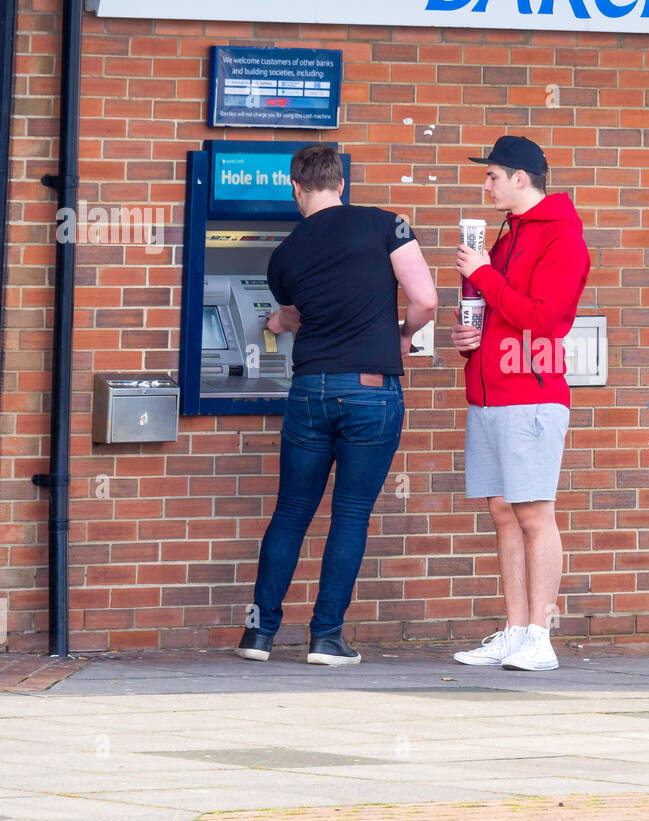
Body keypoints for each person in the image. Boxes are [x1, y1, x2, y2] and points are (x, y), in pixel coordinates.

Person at [235, 144, 437, 665]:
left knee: (291, 511)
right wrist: (404, 336)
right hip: (370, 390)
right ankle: (325, 638)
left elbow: (298, 316)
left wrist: (277, 324)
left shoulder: (285, 255)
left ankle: (258, 634)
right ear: (340, 183)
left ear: (296, 189)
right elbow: (426, 300)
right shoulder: (386, 225)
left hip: (310, 390)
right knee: (349, 514)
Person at [450, 136, 590, 671]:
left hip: (530, 394)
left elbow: (542, 318)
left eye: (492, 176)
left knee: (534, 513)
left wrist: (481, 274)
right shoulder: (512, 234)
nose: (486, 185)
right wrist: (471, 340)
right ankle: (513, 631)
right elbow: (501, 312)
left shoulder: (562, 238)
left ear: (521, 179)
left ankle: (540, 637)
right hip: (490, 390)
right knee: (503, 512)